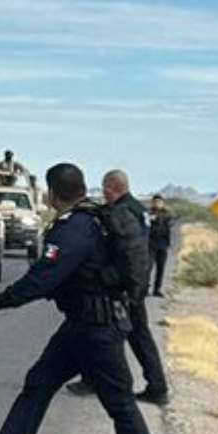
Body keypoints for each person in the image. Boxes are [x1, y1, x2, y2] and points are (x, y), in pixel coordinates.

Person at [0, 162, 168, 434]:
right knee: (39, 382)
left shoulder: (75, 228)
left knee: (120, 405)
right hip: (82, 327)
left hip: (96, 331)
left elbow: (42, 279)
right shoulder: (92, 220)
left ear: (52, 193)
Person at [65, 170, 168, 405]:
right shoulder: (137, 209)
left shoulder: (123, 211)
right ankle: (154, 385)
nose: (104, 193)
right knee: (131, 335)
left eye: (105, 188)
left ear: (113, 187)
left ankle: (138, 386)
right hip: (135, 282)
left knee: (108, 334)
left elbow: (129, 253)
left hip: (125, 285)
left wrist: (113, 279)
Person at [147, 196, 173, 298]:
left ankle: (157, 290)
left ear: (163, 203)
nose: (157, 203)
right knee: (148, 267)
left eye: (159, 202)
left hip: (163, 244)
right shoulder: (149, 214)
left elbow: (169, 223)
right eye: (155, 202)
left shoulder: (167, 214)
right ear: (152, 203)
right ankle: (145, 288)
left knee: (161, 268)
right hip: (151, 244)